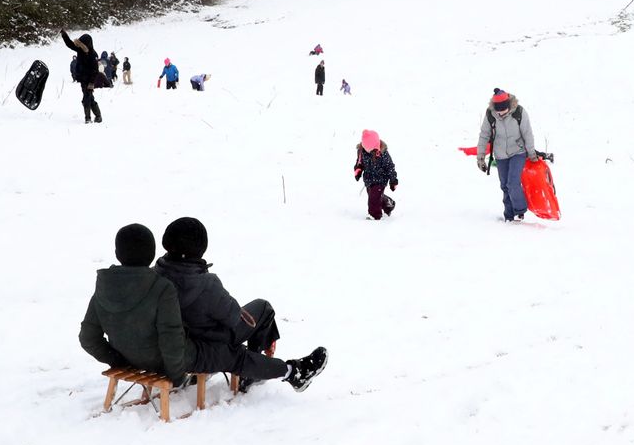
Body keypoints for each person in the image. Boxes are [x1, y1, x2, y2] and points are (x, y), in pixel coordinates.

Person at [154, 217, 327, 394]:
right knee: (263, 308)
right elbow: (232, 316)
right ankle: (260, 372)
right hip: (211, 341)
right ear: (201, 248)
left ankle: (265, 369)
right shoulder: (206, 284)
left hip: (179, 342)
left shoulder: (155, 274)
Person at [78, 224, 193, 385]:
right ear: (152, 253)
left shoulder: (106, 286)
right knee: (211, 348)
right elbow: (171, 338)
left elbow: (88, 338)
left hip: (126, 357)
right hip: (161, 363)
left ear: (118, 253)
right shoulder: (162, 287)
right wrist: (177, 377)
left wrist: (117, 359)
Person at [476, 89, 540, 222]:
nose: (501, 113)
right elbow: (484, 135)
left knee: (512, 183)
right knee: (504, 185)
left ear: (508, 106)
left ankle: (520, 211)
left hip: (518, 151)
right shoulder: (491, 114)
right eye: (498, 111)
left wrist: (532, 153)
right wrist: (480, 157)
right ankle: (509, 216)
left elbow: (527, 134)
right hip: (500, 154)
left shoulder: (519, 112)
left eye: (504, 110)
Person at [353, 130, 398, 220]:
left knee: (374, 198)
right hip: (369, 179)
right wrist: (358, 170)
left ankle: (374, 215)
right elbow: (359, 162)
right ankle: (388, 204)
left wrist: (393, 180)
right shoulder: (361, 151)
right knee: (374, 196)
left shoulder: (382, 153)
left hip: (381, 179)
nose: (371, 151)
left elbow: (390, 167)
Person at [62, 29, 104, 124]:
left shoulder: (93, 55)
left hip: (89, 80)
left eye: (82, 44)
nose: (80, 45)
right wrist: (64, 35)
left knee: (87, 98)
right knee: (89, 98)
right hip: (82, 79)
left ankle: (88, 118)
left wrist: (91, 83)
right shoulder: (80, 50)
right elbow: (70, 44)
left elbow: (95, 71)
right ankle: (98, 116)